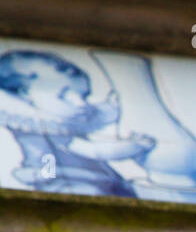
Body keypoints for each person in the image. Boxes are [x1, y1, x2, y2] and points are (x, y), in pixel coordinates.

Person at [0, 49, 155, 197]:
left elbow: (94, 117)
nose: (81, 104)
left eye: (84, 95)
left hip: (95, 179)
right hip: (63, 181)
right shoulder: (46, 129)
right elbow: (95, 151)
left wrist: (111, 107)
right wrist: (136, 145)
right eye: (64, 95)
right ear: (25, 94)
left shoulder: (63, 117)